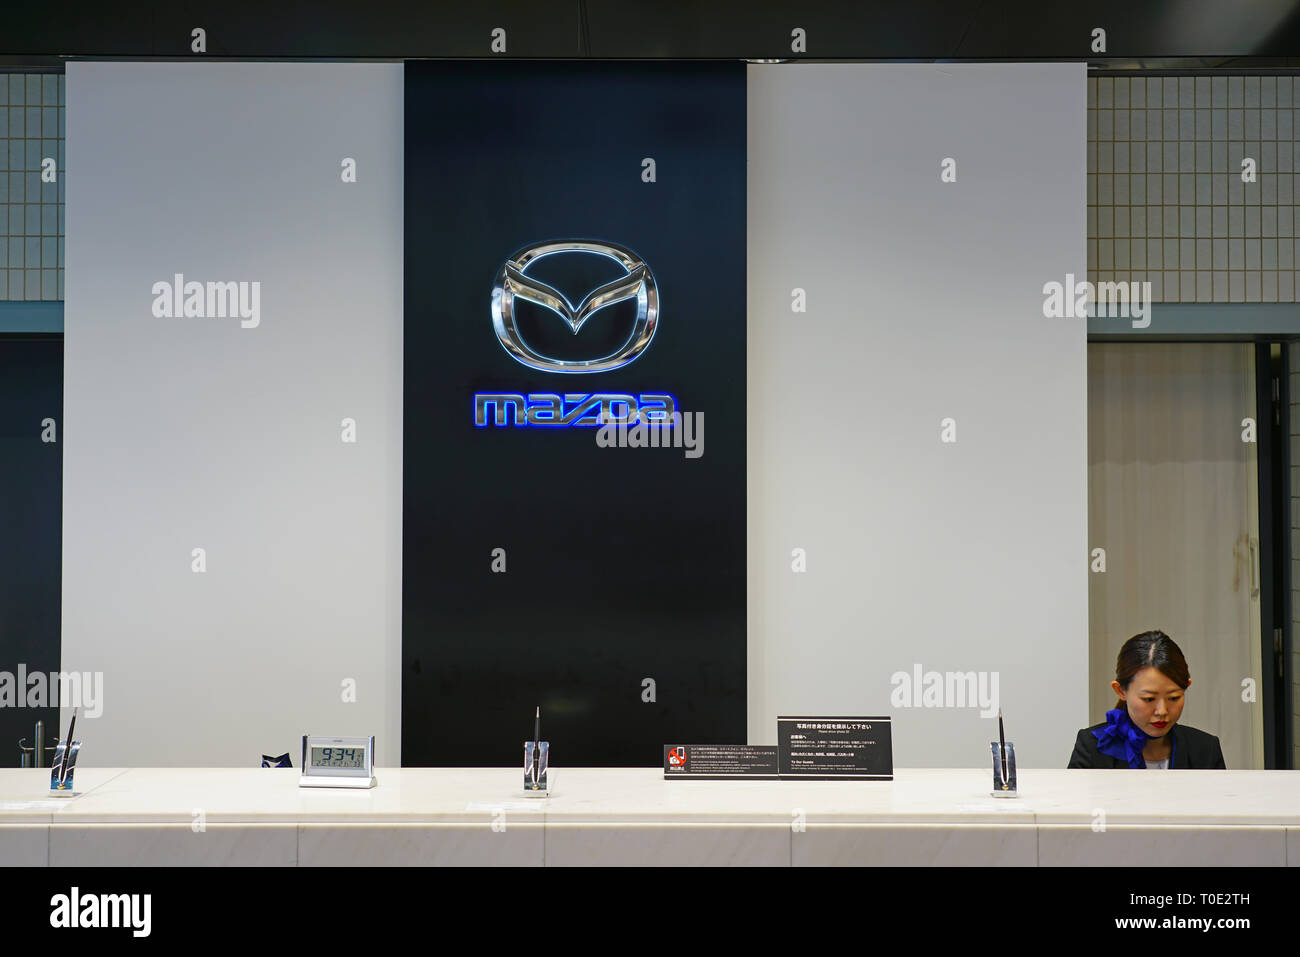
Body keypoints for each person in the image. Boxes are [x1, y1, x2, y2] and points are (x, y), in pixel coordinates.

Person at [1068, 630, 1226, 769]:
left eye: (1174, 697)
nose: (1162, 711)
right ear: (1120, 690)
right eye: (1149, 699)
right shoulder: (1092, 746)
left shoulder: (1205, 749)